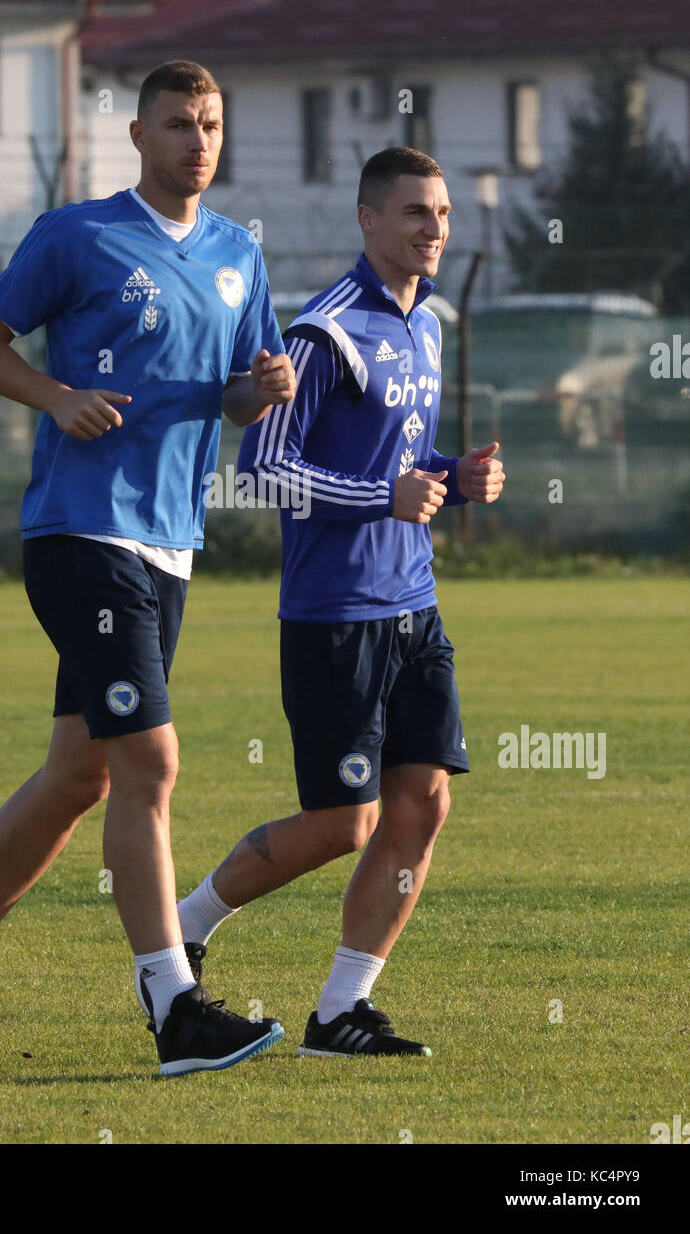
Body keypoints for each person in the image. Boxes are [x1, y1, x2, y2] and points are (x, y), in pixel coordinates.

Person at [0, 60, 296, 1078]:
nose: (196, 140)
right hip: (80, 534)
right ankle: (173, 1005)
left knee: (80, 774)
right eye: (175, 123)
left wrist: (262, 388)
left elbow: (234, 400)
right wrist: (55, 394)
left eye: (208, 124)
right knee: (150, 764)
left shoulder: (240, 253)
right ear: (138, 137)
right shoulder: (78, 235)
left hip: (168, 544)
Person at [176, 146, 505, 1057]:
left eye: (440, 214)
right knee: (341, 823)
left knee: (423, 805)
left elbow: (400, 465)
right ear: (367, 219)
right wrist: (385, 496)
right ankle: (187, 924)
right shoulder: (323, 333)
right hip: (335, 617)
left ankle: (341, 1011)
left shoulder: (427, 327)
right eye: (413, 213)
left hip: (416, 605)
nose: (433, 229)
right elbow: (265, 469)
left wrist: (454, 477)